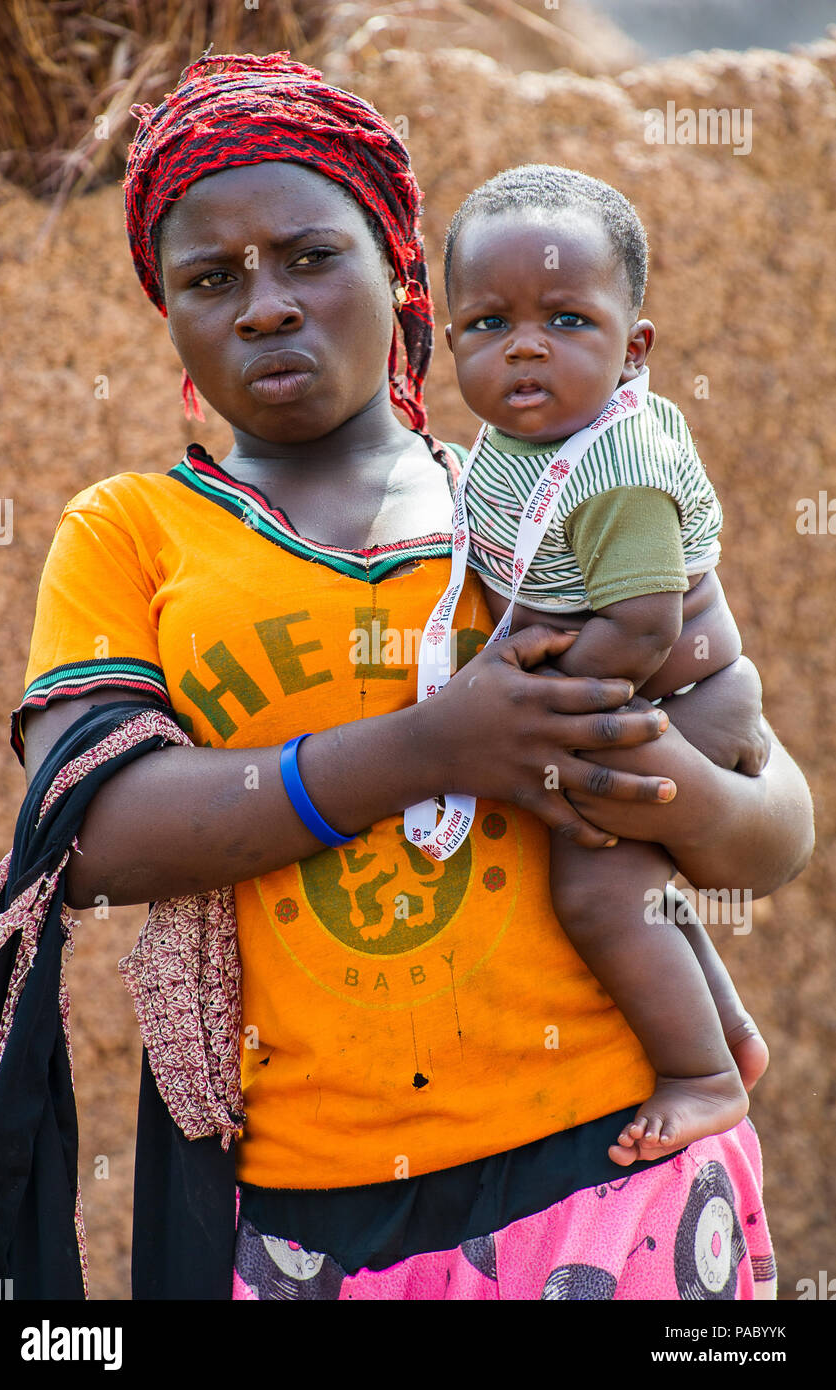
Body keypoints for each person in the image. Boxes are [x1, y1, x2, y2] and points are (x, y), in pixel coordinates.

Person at [2, 52, 812, 1300]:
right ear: (166, 312)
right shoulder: (130, 533)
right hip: (305, 1220)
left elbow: (769, 827)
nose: (265, 305)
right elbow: (96, 836)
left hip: (612, 1166)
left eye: (312, 257)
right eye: (210, 279)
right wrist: (439, 749)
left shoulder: (542, 501)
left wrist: (661, 782)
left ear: (400, 270)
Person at [440, 164, 770, 1167]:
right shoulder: (515, 439)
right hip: (638, 689)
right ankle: (732, 1033)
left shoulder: (617, 470)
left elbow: (638, 628)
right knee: (634, 879)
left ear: (633, 350)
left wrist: (518, 698)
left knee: (594, 891)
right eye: (487, 325)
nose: (525, 345)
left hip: (682, 697)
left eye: (568, 322)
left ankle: (701, 1077)